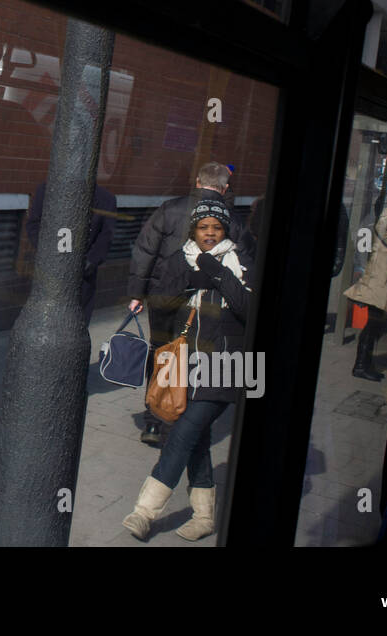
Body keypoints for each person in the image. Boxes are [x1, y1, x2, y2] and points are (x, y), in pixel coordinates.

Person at [121, 197, 253, 542]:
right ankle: (205, 515)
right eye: (203, 227)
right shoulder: (181, 260)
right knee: (197, 439)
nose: (210, 234)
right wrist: (185, 283)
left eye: (217, 228)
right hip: (186, 363)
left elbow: (248, 306)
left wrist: (217, 273)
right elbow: (162, 311)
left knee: (181, 436)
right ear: (194, 230)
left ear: (226, 230)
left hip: (228, 365)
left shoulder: (243, 260)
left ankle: (143, 513)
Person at [127, 161, 234, 445]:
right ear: (224, 188)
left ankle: (152, 419)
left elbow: (145, 250)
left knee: (160, 351)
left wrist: (137, 293)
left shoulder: (170, 208)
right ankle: (175, 422)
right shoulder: (229, 217)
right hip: (202, 300)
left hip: (163, 294)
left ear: (198, 182)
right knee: (189, 357)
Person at [25, 180, 116, 325]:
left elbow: (106, 237)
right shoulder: (47, 189)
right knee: (43, 323)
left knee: (76, 325)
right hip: (49, 271)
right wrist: (48, 256)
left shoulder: (106, 198)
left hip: (83, 277)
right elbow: (34, 225)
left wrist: (88, 263)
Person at [344, 202, 387, 382]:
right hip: (378, 284)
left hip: (381, 283)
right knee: (373, 324)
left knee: (375, 324)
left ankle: (364, 364)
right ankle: (360, 365)